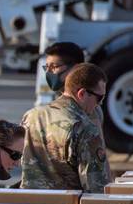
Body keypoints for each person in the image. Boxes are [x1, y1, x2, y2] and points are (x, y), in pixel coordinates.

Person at [20, 62, 112, 193]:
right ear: (82, 94)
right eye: (99, 98)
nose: (100, 104)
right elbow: (96, 188)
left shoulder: (31, 116)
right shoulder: (85, 128)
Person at [21, 41, 85, 188]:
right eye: (47, 67)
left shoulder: (88, 109)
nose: (49, 72)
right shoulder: (50, 105)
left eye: (54, 67)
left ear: (75, 69)